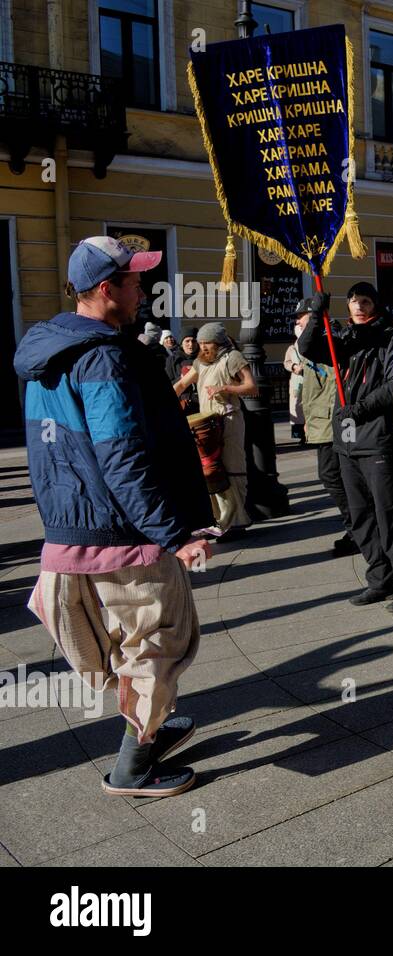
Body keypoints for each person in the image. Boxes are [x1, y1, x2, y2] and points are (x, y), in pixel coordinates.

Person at [14, 236, 212, 797]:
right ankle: (133, 766)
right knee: (156, 644)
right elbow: (120, 452)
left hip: (73, 525)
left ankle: (147, 729)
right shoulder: (103, 355)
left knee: (129, 641)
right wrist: (174, 533)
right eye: (134, 281)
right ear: (107, 289)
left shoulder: (48, 351)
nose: (142, 290)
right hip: (123, 532)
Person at [298, 282, 393, 613]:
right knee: (360, 515)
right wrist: (315, 315)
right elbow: (308, 349)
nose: (358, 306)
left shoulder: (389, 338)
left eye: (365, 301)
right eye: (353, 301)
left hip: (375, 436)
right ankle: (379, 579)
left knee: (388, 514)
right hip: (346, 440)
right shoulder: (345, 339)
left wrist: (362, 408)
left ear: (375, 305)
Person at [172, 323, 255, 536]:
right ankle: (218, 520)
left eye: (206, 343)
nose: (202, 347)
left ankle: (237, 521)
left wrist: (226, 388)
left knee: (232, 467)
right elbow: (181, 385)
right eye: (200, 343)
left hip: (229, 419)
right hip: (208, 422)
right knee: (211, 470)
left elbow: (251, 387)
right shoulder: (200, 362)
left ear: (218, 342)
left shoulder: (233, 357)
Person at [294, 298, 358, 556]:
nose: (297, 321)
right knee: (333, 476)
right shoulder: (317, 337)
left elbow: (334, 383)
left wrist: (332, 419)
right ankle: (356, 525)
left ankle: (358, 527)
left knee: (335, 476)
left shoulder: (328, 338)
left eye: (301, 316)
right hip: (320, 420)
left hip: (332, 421)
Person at [283, 321, 307, 444]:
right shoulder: (291, 348)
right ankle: (301, 435)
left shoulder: (310, 346)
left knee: (309, 407)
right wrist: (293, 366)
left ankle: (309, 434)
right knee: (297, 408)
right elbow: (286, 362)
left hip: (309, 381)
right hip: (297, 382)